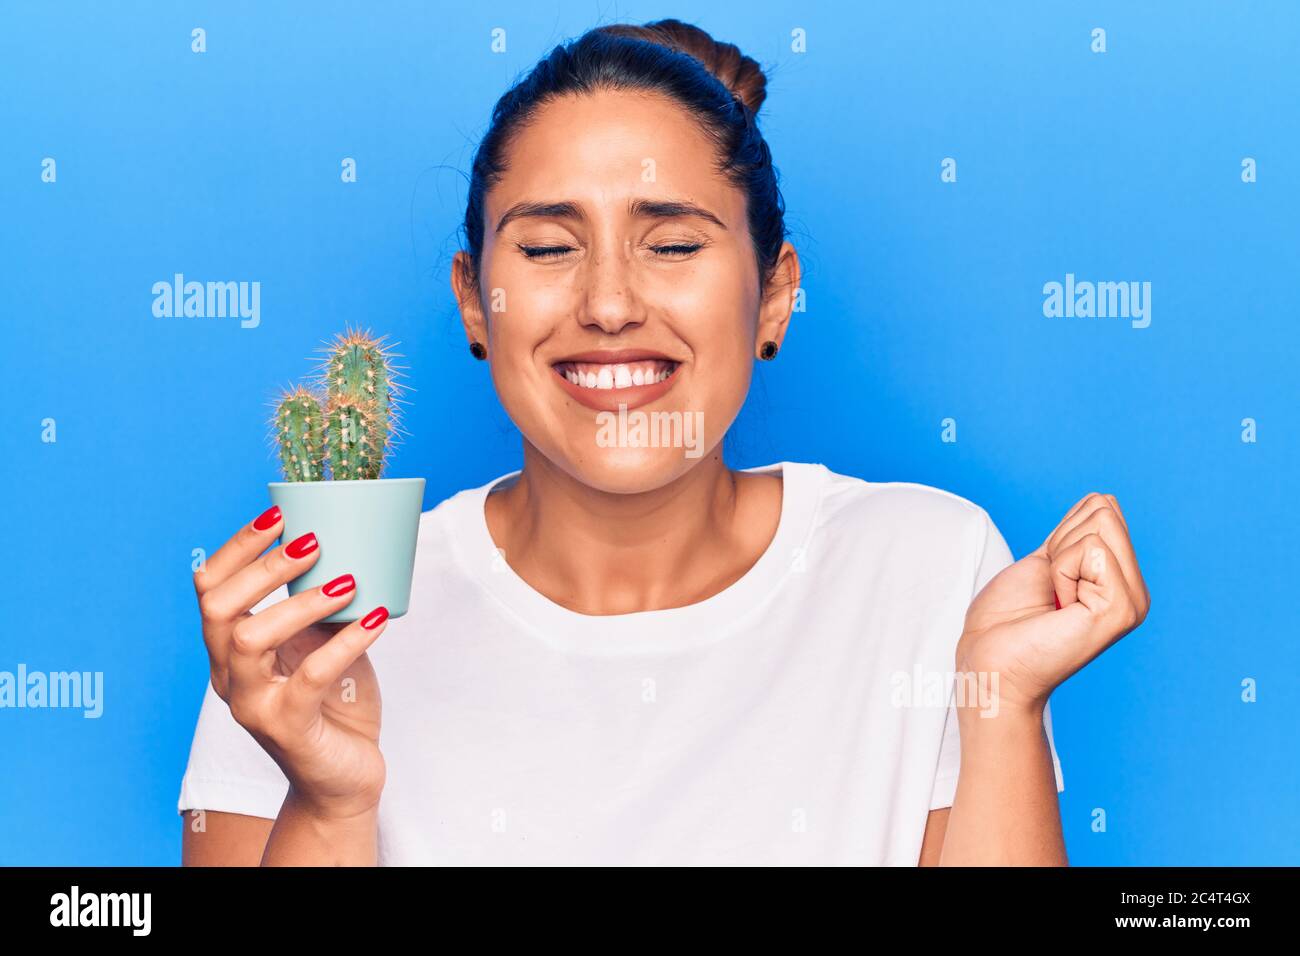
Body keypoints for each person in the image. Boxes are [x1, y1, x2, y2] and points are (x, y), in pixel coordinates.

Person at [179, 18, 1149, 866]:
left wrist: (1003, 704)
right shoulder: (307, 635)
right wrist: (330, 797)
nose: (608, 304)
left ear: (773, 294)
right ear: (476, 302)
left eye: (674, 244)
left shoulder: (926, 569)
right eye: (549, 248)